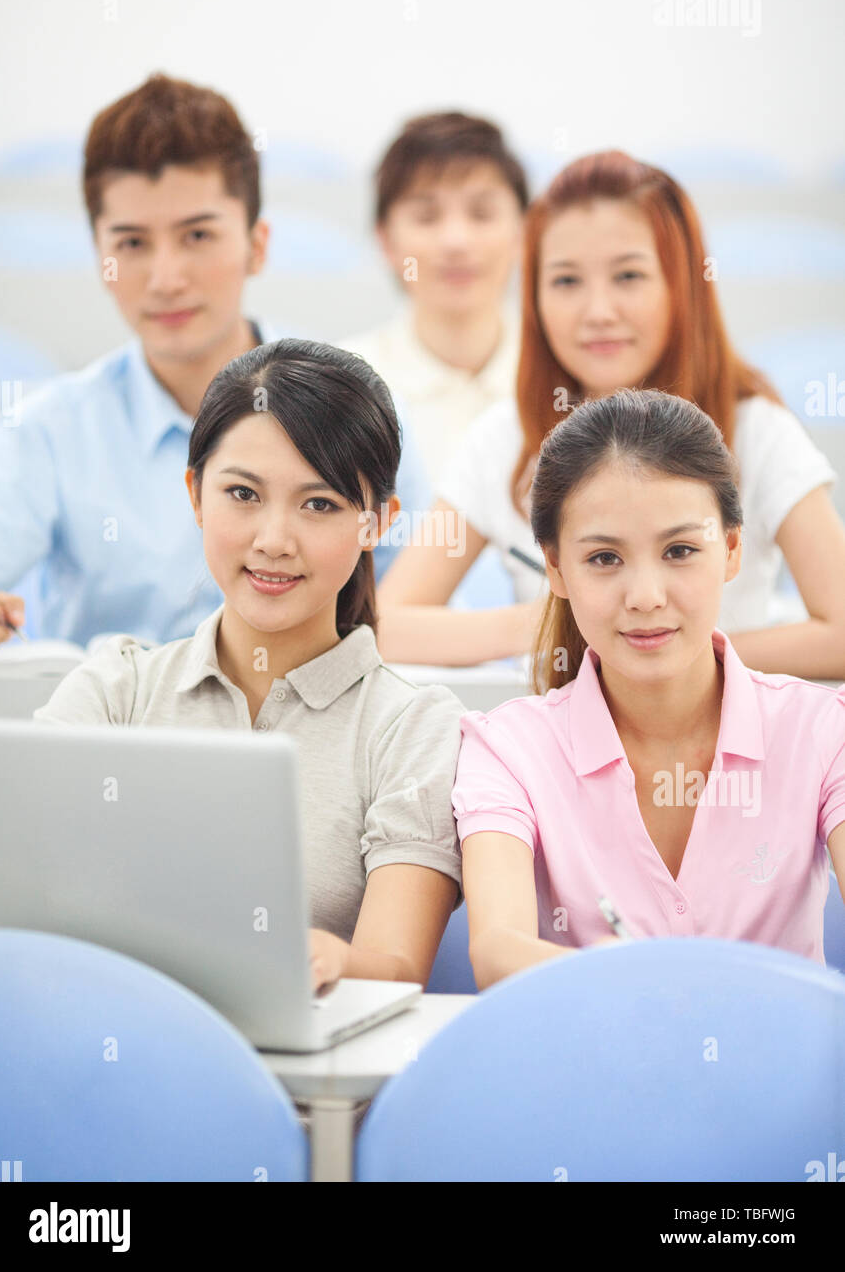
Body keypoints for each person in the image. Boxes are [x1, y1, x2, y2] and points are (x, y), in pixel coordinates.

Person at [33, 338, 463, 992]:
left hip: (306, 1054)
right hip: (110, 1031)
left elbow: (396, 968)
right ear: (195, 495)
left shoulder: (413, 728)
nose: (273, 540)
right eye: (242, 493)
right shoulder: (113, 692)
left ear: (377, 523)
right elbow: (31, 891)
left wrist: (325, 958)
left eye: (318, 504)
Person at [0, 74, 430, 661]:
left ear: (257, 245)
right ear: (100, 256)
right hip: (121, 719)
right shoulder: (47, 431)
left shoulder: (358, 412)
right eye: (132, 243)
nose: (166, 278)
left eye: (197, 235)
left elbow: (418, 625)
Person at [375, 150, 845, 681]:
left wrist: (675, 648)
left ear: (682, 284)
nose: (598, 312)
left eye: (628, 276)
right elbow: (387, 626)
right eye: (566, 281)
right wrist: (555, 624)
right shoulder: (505, 437)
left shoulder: (757, 431)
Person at [451, 388, 845, 989]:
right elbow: (498, 952)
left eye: (679, 550)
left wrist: (639, 979)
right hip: (591, 1051)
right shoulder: (506, 748)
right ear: (555, 567)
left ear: (731, 549)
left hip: (781, 1052)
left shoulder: (823, 730)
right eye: (604, 558)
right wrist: (654, 984)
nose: (645, 597)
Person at [337, 110, 527, 490]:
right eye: (427, 216)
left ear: (523, 232)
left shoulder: (570, 379)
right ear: (386, 241)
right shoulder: (341, 389)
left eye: (482, 213)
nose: (456, 241)